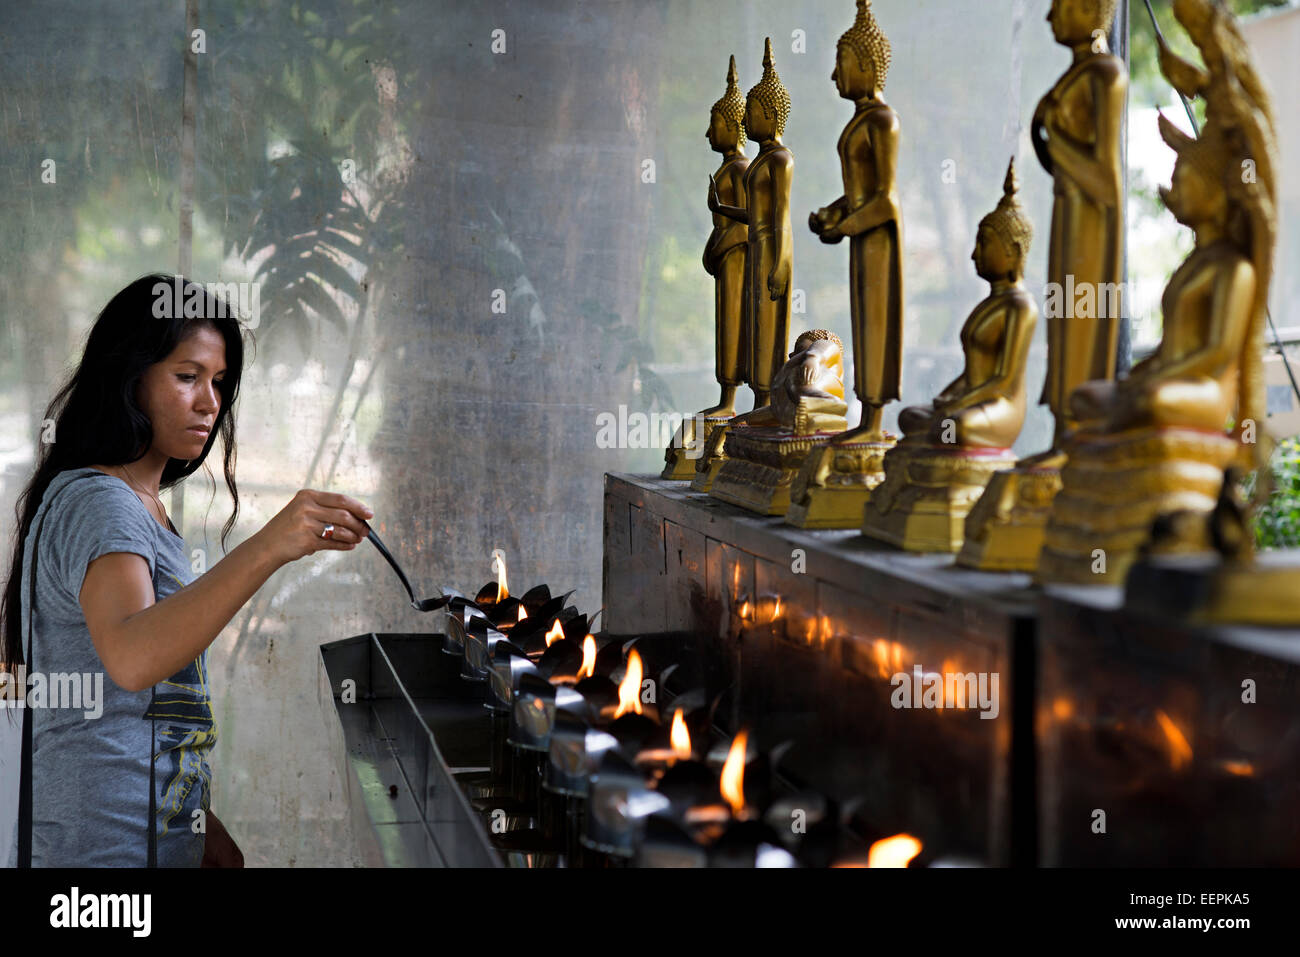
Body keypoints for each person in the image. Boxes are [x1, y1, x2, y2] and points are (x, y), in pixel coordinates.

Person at [1, 274, 373, 867]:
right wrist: (270, 545)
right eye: (186, 377)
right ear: (129, 375)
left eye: (219, 382)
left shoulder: (137, 506)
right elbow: (132, 656)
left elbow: (147, 706)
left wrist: (194, 819)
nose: (210, 402)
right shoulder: (104, 502)